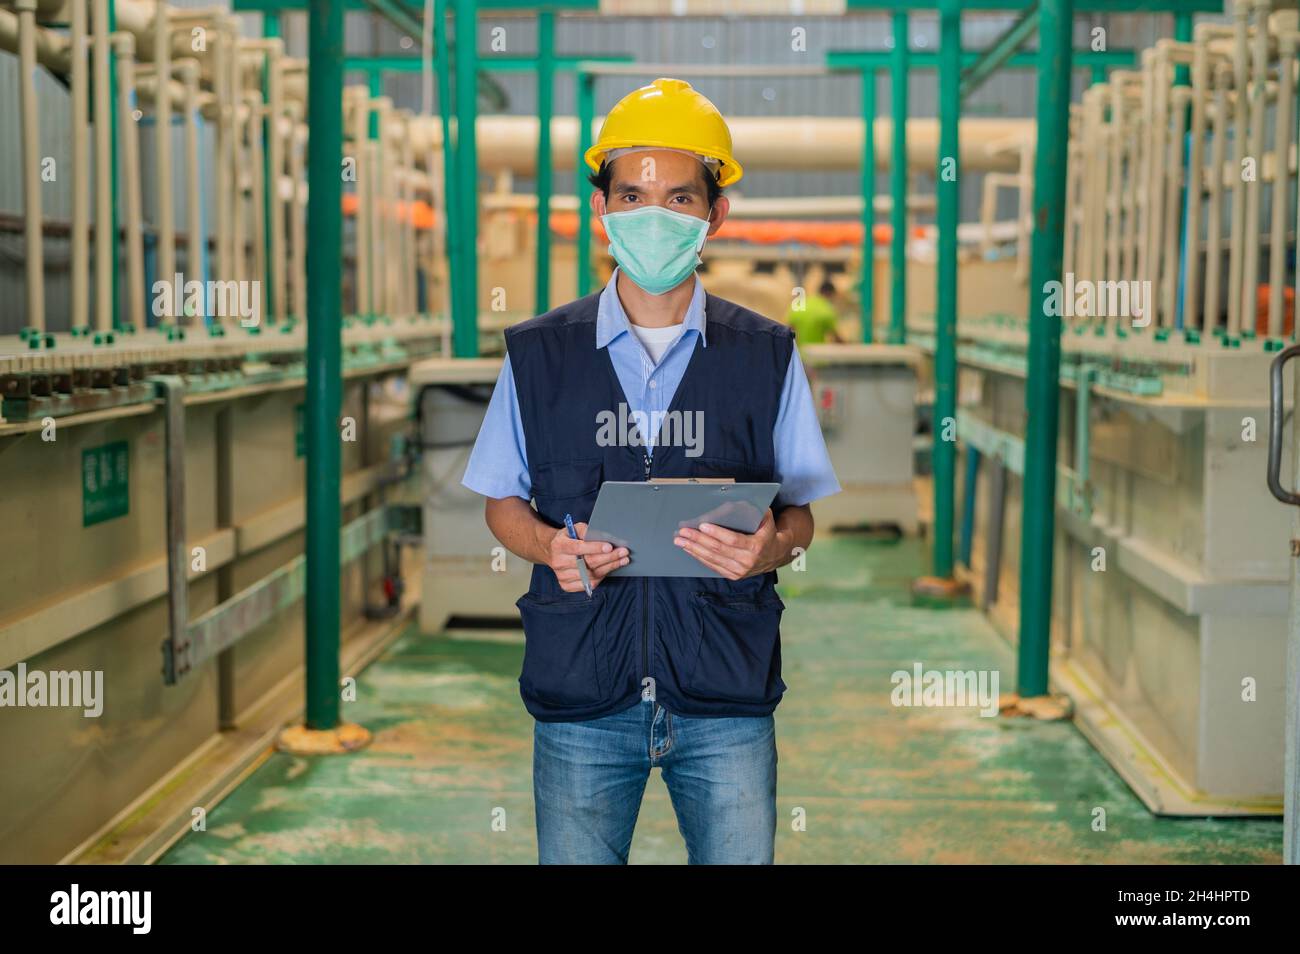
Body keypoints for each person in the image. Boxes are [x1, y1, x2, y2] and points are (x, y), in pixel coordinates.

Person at [461, 78, 840, 864]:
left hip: (724, 697)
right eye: (630, 196)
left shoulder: (767, 356)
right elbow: (503, 501)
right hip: (583, 698)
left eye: (677, 198)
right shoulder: (539, 355)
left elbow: (801, 514)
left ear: (715, 214)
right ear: (600, 210)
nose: (652, 217)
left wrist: (772, 548)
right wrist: (547, 548)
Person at [784, 276, 845, 347]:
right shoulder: (827, 309)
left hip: (799, 354)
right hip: (818, 354)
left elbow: (789, 330)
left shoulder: (800, 304)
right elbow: (836, 337)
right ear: (830, 294)